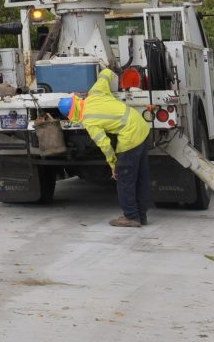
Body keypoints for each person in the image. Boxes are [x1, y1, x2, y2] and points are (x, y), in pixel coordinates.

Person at [60, 67, 152, 227]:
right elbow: (106, 74)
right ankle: (141, 216)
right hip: (142, 127)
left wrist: (113, 165)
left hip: (130, 136)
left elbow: (105, 145)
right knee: (140, 176)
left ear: (71, 115)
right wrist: (117, 80)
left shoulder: (88, 121)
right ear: (77, 99)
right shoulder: (94, 93)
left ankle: (131, 216)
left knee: (124, 178)